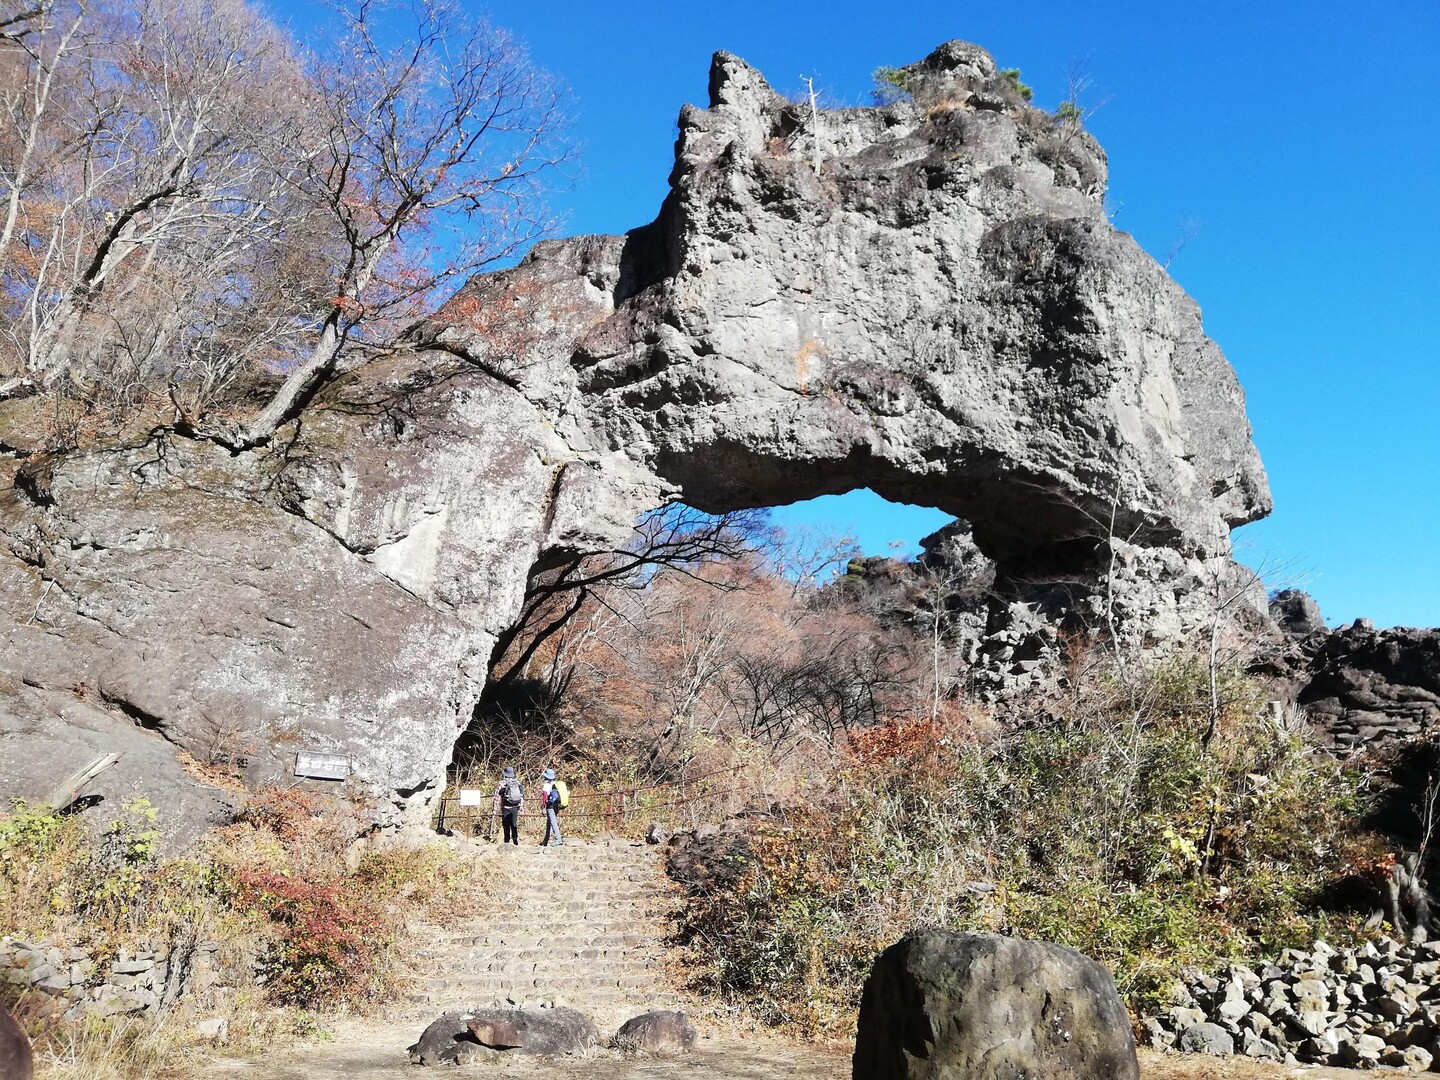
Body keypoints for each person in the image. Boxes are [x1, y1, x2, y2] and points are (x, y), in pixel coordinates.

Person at [492, 766, 523, 846]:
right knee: (514, 824)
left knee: (506, 825)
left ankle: (507, 842)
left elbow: (497, 797)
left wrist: (494, 810)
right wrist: (521, 806)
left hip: (505, 807)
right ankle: (515, 841)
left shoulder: (502, 783)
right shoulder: (517, 783)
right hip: (515, 806)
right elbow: (521, 796)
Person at [541, 767, 564, 847]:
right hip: (557, 805)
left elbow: (545, 797)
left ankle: (558, 838)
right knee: (550, 821)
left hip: (550, 805)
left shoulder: (546, 785)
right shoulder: (555, 783)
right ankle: (546, 840)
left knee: (553, 821)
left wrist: (543, 807)